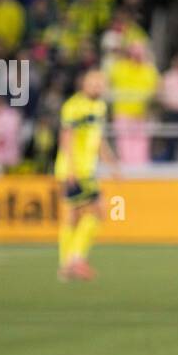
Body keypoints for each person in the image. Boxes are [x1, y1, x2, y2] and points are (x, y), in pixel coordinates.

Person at [55, 70, 119, 281]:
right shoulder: (73, 106)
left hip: (86, 169)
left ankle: (68, 264)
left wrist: (111, 162)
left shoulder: (100, 107)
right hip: (74, 169)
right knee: (95, 211)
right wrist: (72, 168)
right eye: (93, 83)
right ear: (84, 84)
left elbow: (98, 138)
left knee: (75, 216)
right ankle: (75, 259)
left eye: (100, 83)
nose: (97, 87)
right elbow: (66, 138)